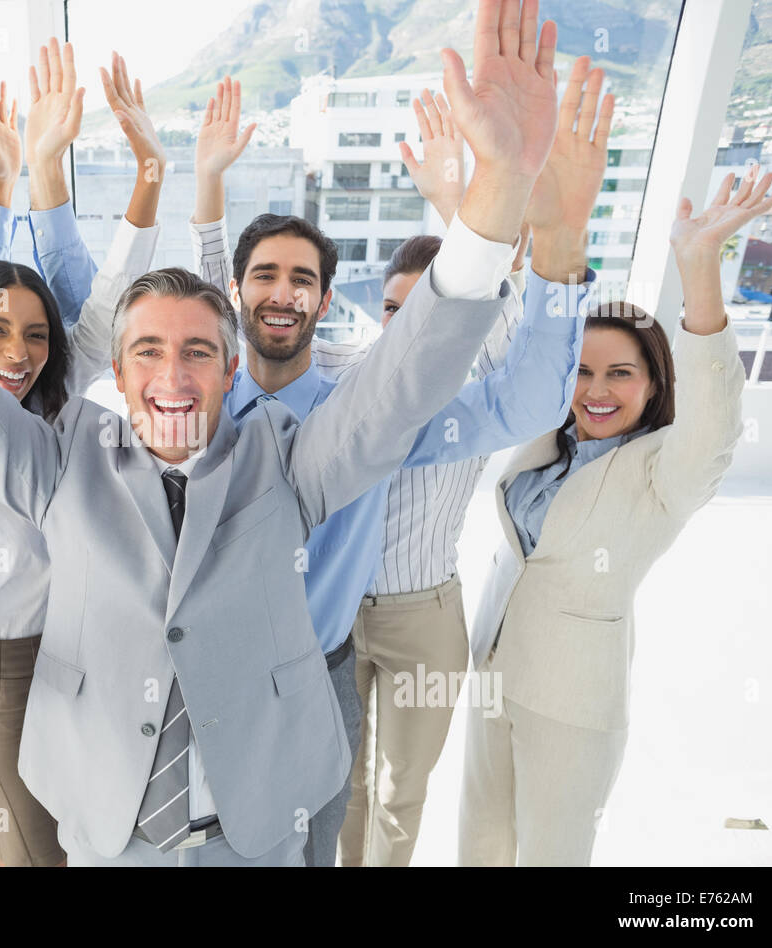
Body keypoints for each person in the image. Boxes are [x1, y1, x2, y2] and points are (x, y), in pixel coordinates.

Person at [0, 1, 555, 865]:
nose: (172, 375)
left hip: (258, 831)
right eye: (147, 350)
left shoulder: (289, 458)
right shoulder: (61, 463)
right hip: (108, 830)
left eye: (196, 352)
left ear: (229, 369)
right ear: (120, 372)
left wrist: (501, 189)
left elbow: (405, 384)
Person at [189, 52, 608, 866]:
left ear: (324, 297)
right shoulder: (194, 405)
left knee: (329, 829)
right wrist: (207, 184)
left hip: (326, 667)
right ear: (236, 294)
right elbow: (203, 296)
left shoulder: (369, 409)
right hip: (212, 669)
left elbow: (519, 400)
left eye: (303, 279)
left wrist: (557, 241)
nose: (283, 292)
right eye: (264, 276)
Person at [459, 165, 772, 866]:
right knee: (478, 851)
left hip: (571, 708)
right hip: (491, 676)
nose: (596, 391)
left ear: (655, 381)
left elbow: (714, 424)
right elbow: (513, 353)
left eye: (620, 373)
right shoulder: (547, 438)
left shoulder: (665, 469)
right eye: (582, 370)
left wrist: (700, 269)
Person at [0, 46, 166, 867]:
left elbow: (119, 286)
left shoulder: (60, 406)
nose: (18, 353)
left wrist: (144, 169)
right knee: (36, 855)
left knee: (107, 839)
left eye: (36, 334)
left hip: (95, 653)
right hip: (8, 682)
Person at [338, 57, 613, 868]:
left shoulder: (470, 394)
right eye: (391, 308)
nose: (403, 322)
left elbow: (514, 328)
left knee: (402, 787)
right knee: (342, 779)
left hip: (426, 618)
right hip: (337, 615)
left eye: (418, 309)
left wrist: (462, 201)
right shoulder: (344, 382)